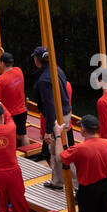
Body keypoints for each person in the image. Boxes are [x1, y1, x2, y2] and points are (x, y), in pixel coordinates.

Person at [55, 114, 107, 212]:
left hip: (89, 190)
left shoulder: (79, 149)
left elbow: (60, 157)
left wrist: (58, 135)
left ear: (83, 131)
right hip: (105, 186)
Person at [33, 45, 71, 187]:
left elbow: (50, 105)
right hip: (64, 113)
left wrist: (49, 130)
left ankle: (77, 185)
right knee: (55, 152)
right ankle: (58, 181)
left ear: (37, 60)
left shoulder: (44, 80)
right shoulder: (57, 69)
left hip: (56, 118)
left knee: (62, 153)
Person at [0, 51, 28, 146]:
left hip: (9, 114)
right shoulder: (19, 71)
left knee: (8, 136)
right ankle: (27, 153)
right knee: (23, 134)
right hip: (22, 111)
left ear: (2, 63)